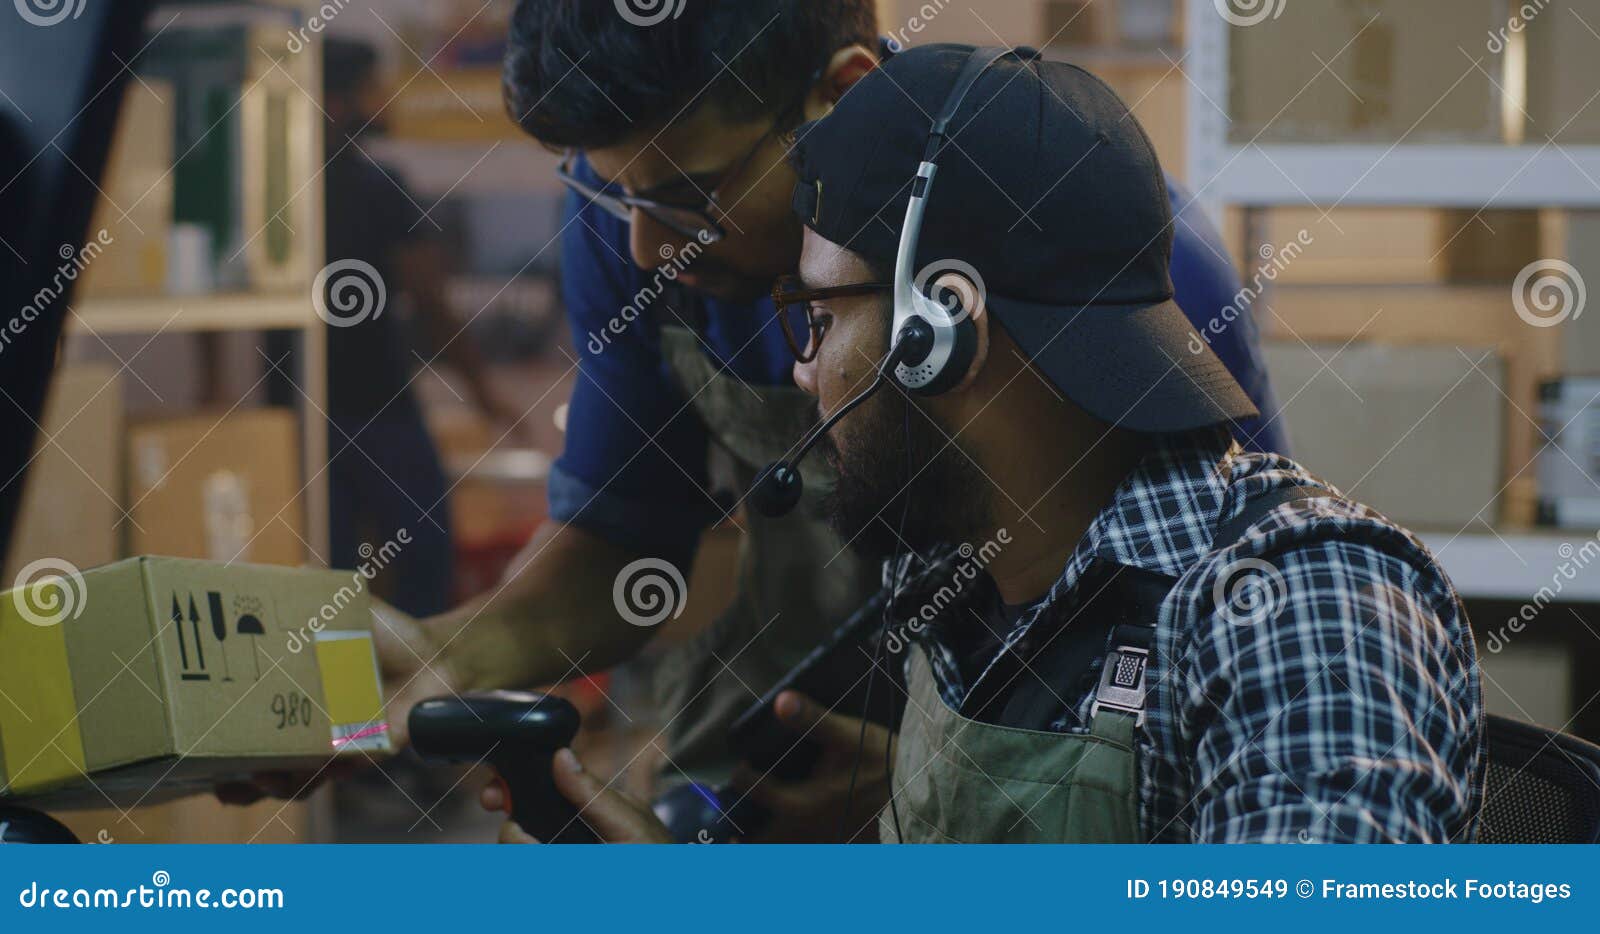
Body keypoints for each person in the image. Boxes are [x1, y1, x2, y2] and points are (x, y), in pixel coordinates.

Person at [489, 44, 1484, 844]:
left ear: (939, 333)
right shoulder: (953, 603)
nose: (802, 373)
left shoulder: (1295, 610)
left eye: (818, 321)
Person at [350, 1, 1285, 835]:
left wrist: (953, 792)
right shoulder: (639, 224)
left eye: (688, 195)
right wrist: (441, 660)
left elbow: (1226, 649)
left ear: (842, 93)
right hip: (782, 754)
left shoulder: (1119, 282)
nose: (645, 246)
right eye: (609, 192)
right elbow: (622, 535)